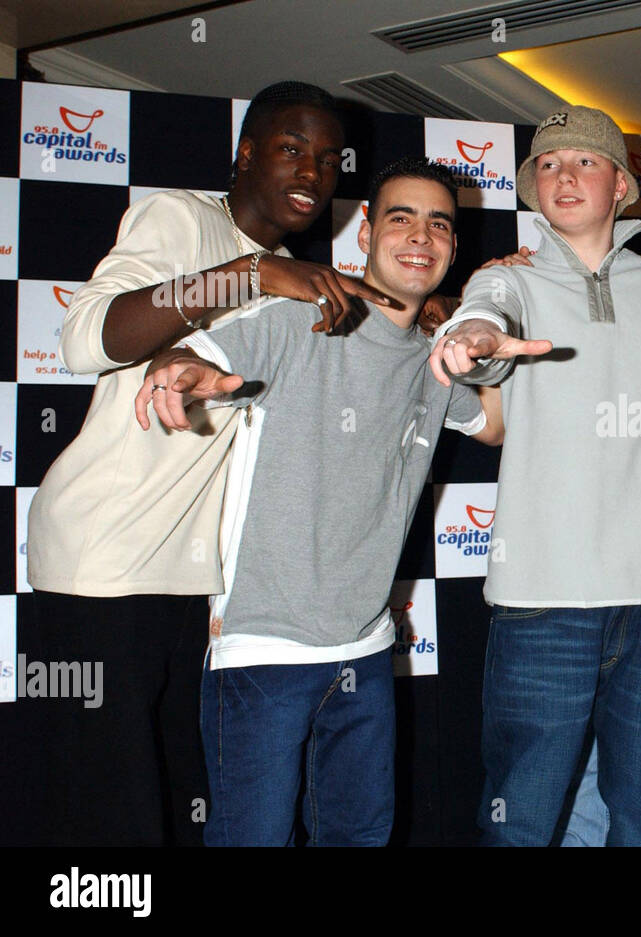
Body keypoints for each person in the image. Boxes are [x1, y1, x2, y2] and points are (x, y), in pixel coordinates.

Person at [18, 81, 389, 846]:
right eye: (291, 149)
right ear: (245, 153)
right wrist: (248, 276)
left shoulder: (294, 277)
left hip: (196, 584)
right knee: (104, 814)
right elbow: (89, 337)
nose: (311, 174)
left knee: (183, 802)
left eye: (326, 160)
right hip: (104, 562)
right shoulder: (183, 220)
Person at [133, 157, 514, 846]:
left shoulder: (437, 360)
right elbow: (198, 356)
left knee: (359, 835)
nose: (420, 237)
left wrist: (489, 311)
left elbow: (495, 423)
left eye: (439, 224)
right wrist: (181, 370)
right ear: (364, 229)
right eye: (400, 216)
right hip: (262, 652)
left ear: (453, 247)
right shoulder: (297, 320)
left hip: (366, 651)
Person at [427, 105, 641, 847]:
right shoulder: (513, 283)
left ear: (622, 184)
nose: (565, 176)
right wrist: (472, 336)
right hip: (543, 602)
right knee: (519, 820)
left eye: (585, 161)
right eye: (549, 165)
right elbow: (481, 323)